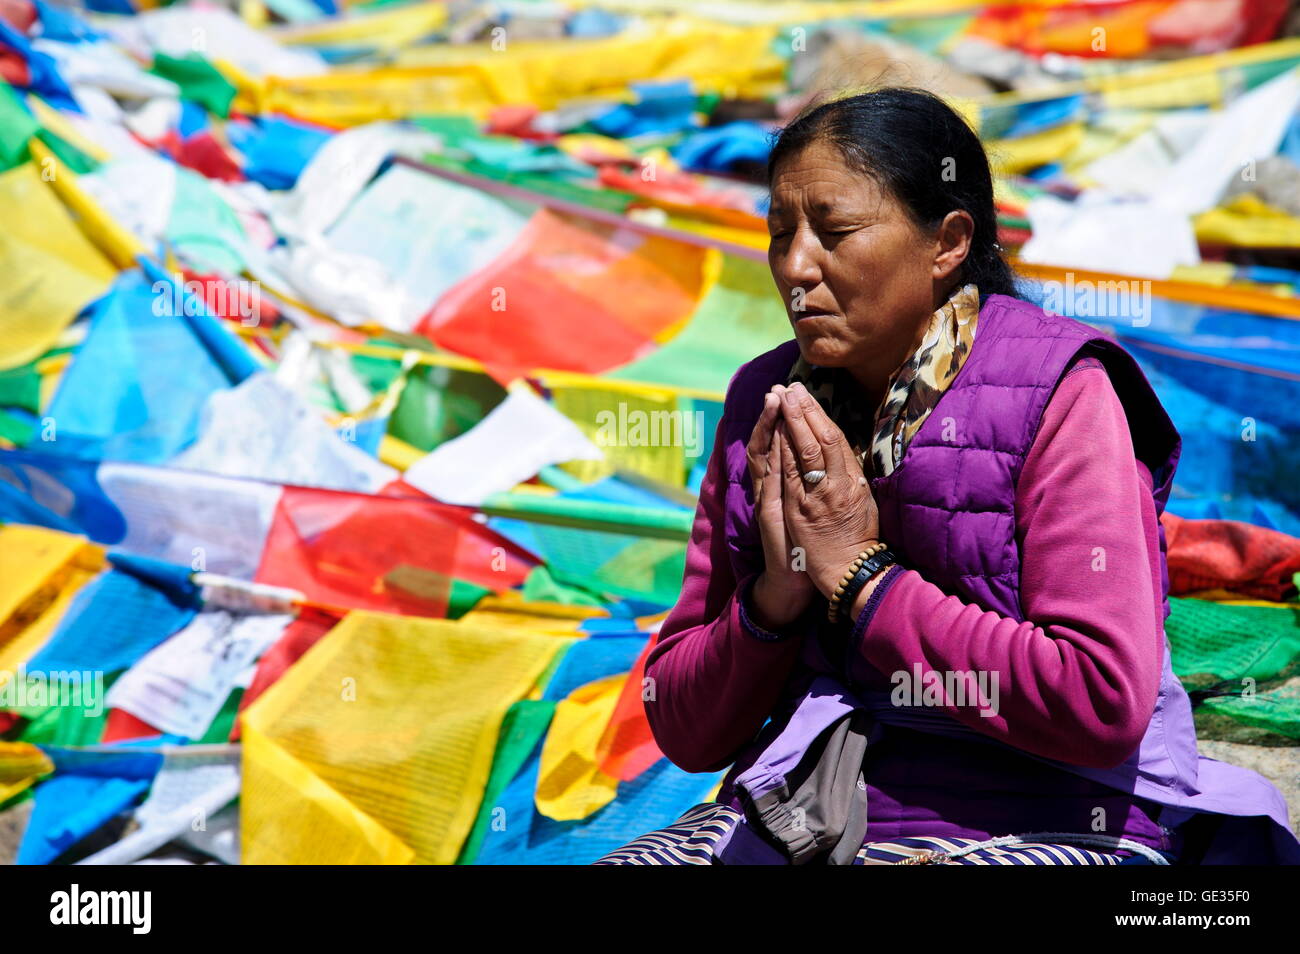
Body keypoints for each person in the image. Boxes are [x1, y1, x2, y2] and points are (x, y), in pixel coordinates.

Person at [597, 88, 1298, 866]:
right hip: (811, 809)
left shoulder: (1061, 391)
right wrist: (778, 595)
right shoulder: (767, 404)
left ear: (948, 241)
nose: (795, 267)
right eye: (779, 235)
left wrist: (862, 580)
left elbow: (1102, 698)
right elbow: (687, 728)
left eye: (835, 231)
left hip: (1047, 815)